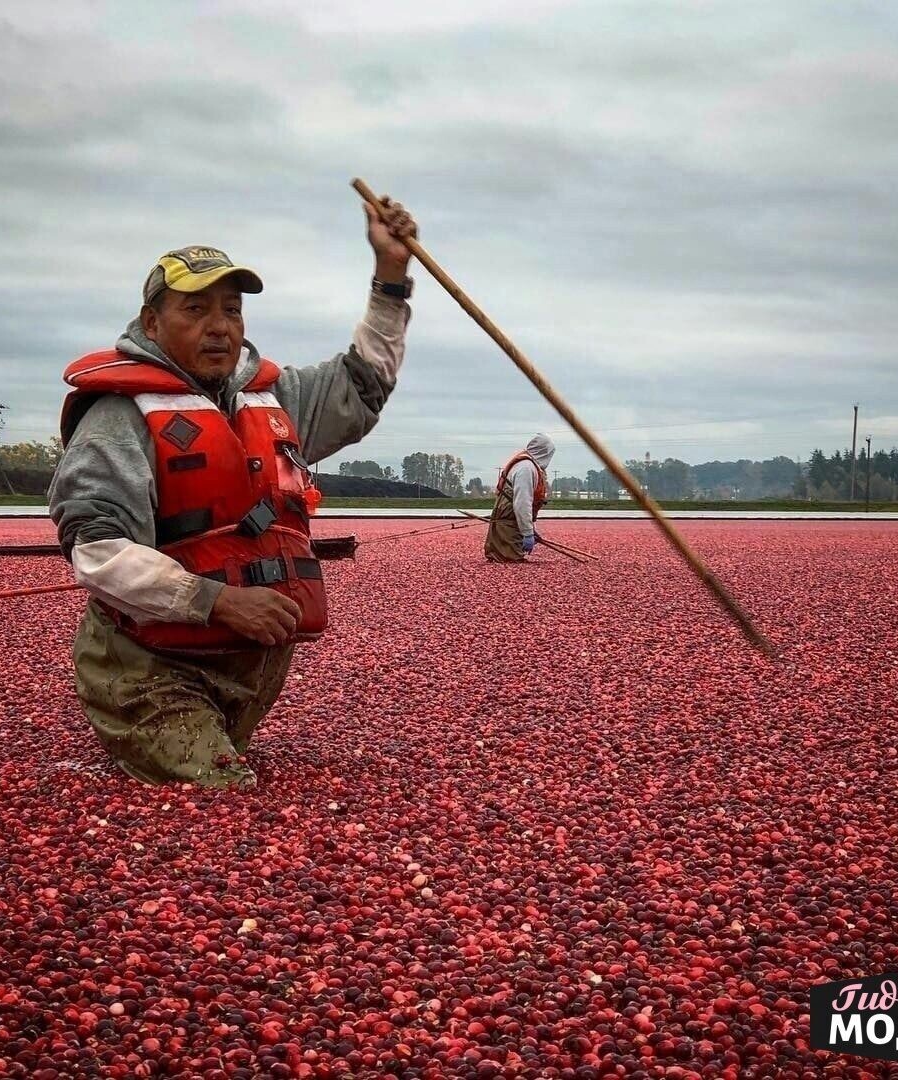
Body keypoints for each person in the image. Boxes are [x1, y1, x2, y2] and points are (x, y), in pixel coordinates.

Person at [48, 199, 417, 789]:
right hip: (152, 667)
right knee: (223, 796)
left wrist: (391, 277)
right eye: (195, 309)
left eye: (231, 310)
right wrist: (219, 602)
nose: (219, 325)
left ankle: (214, 728)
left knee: (236, 792)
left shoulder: (269, 400)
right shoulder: (120, 416)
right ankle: (144, 724)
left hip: (245, 667)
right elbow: (97, 551)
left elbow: (361, 386)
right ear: (151, 324)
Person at [484, 433, 555, 562]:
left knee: (506, 559)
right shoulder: (526, 469)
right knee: (508, 559)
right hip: (508, 519)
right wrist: (527, 533)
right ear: (544, 453)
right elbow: (522, 503)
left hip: (511, 519)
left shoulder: (528, 466)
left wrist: (530, 529)